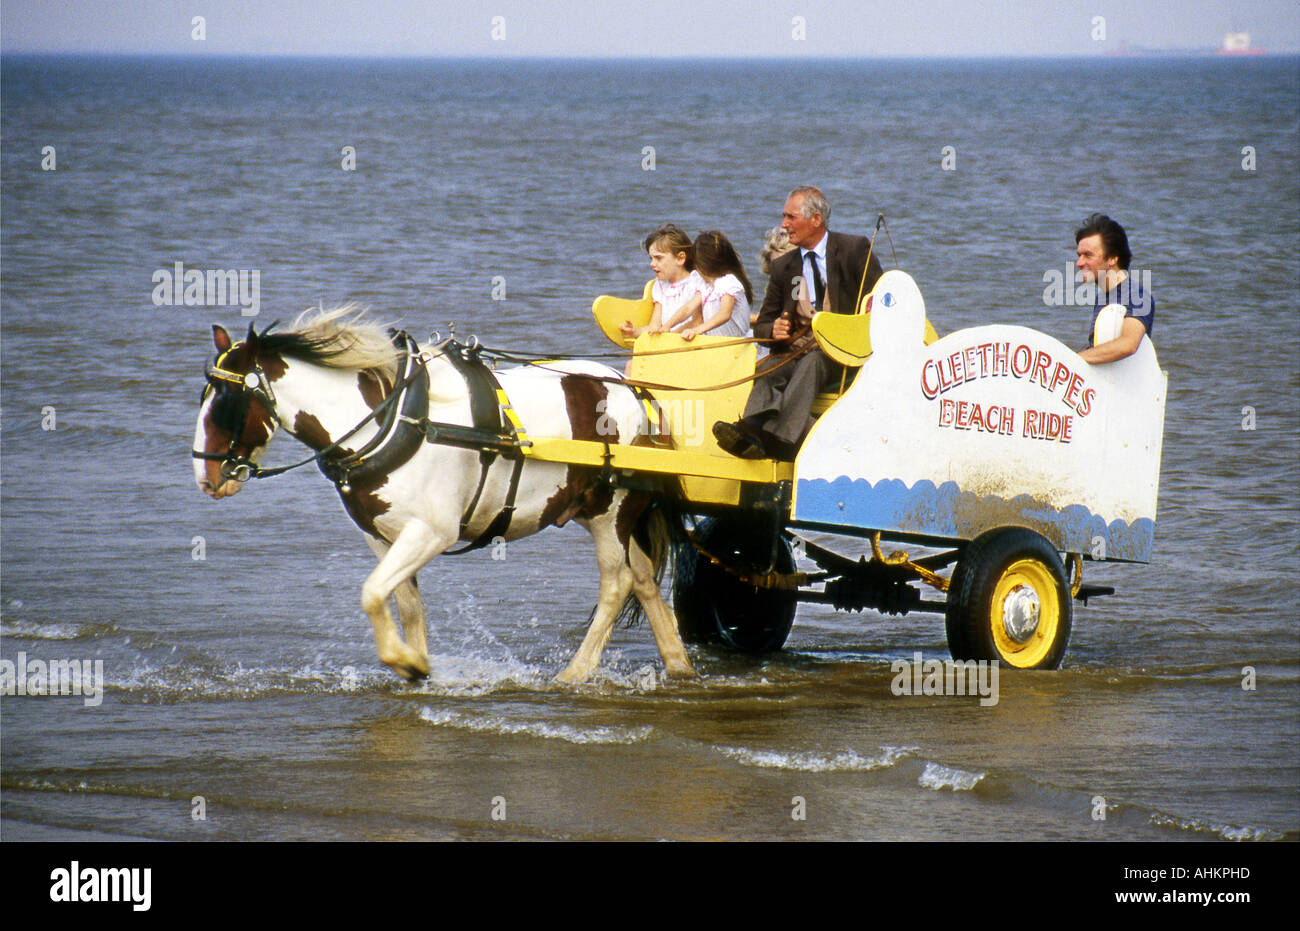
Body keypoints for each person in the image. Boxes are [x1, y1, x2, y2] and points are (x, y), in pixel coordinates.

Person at [713, 186, 883, 460]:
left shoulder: (853, 250)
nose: (784, 224)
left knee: (812, 364)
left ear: (816, 219)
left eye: (791, 217)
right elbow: (763, 324)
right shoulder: (785, 267)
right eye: (784, 216)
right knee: (769, 367)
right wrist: (774, 331)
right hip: (796, 348)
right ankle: (751, 429)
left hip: (841, 353)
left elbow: (882, 303)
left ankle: (779, 439)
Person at [1074, 213, 1154, 363]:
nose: (1079, 262)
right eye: (1079, 255)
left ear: (1112, 258)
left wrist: (1073, 361)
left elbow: (1128, 344)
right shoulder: (1103, 297)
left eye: (1087, 255)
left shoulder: (1138, 296)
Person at [662, 230, 754, 340]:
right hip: (718, 342)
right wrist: (667, 326)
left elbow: (725, 314)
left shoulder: (728, 282)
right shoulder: (705, 286)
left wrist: (697, 330)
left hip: (738, 343)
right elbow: (687, 309)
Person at [620, 224, 704, 340]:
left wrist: (668, 336)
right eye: (651, 258)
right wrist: (635, 331)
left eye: (658, 258)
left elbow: (697, 321)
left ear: (680, 258)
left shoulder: (697, 282)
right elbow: (654, 326)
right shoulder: (659, 286)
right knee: (631, 360)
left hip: (691, 342)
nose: (652, 264)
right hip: (668, 343)